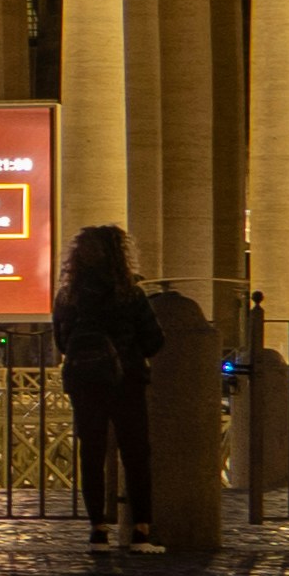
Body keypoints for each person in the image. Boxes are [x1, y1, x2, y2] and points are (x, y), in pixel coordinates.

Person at [52, 221, 179, 551]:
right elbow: (153, 340)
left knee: (92, 453)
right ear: (119, 255)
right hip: (127, 381)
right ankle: (141, 532)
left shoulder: (68, 296)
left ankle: (97, 529)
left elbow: (62, 342)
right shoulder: (130, 295)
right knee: (135, 453)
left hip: (84, 382)